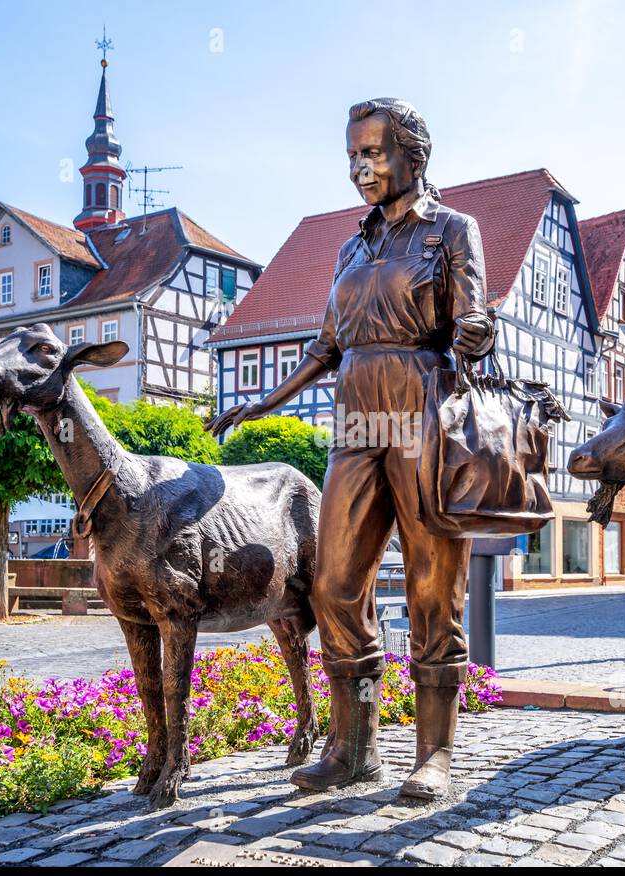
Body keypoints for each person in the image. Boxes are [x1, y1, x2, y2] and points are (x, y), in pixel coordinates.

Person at [208, 98, 494, 800]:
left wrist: (476, 334)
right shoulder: (350, 246)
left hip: (422, 408)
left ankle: (435, 755)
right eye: (352, 156)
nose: (361, 167)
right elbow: (326, 346)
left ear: (412, 156)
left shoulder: (453, 230)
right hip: (355, 420)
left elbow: (473, 313)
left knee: (433, 584)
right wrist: (266, 399)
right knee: (335, 583)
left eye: (374, 152)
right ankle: (354, 747)